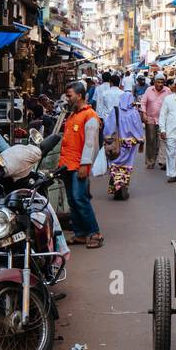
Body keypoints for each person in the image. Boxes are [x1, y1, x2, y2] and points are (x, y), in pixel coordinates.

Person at [58, 81, 104, 248]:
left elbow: (90, 143)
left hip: (79, 165)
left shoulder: (90, 115)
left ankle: (95, 233)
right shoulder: (72, 115)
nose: (67, 99)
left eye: (69, 96)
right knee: (72, 200)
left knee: (80, 199)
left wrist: (85, 164)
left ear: (79, 95)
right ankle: (80, 234)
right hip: (67, 164)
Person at [104, 88, 144, 200]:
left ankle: (117, 184)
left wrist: (107, 137)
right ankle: (122, 185)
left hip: (117, 144)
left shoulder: (115, 111)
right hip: (130, 145)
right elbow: (138, 129)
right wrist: (141, 140)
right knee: (126, 166)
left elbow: (109, 127)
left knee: (115, 164)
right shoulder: (134, 113)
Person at [141, 74, 170, 170]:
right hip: (150, 119)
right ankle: (150, 161)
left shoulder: (167, 91)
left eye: (162, 82)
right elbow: (143, 103)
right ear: (154, 82)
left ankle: (162, 160)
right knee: (151, 141)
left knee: (163, 140)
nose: (160, 84)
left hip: (164, 120)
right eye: (158, 82)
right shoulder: (149, 90)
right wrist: (144, 113)